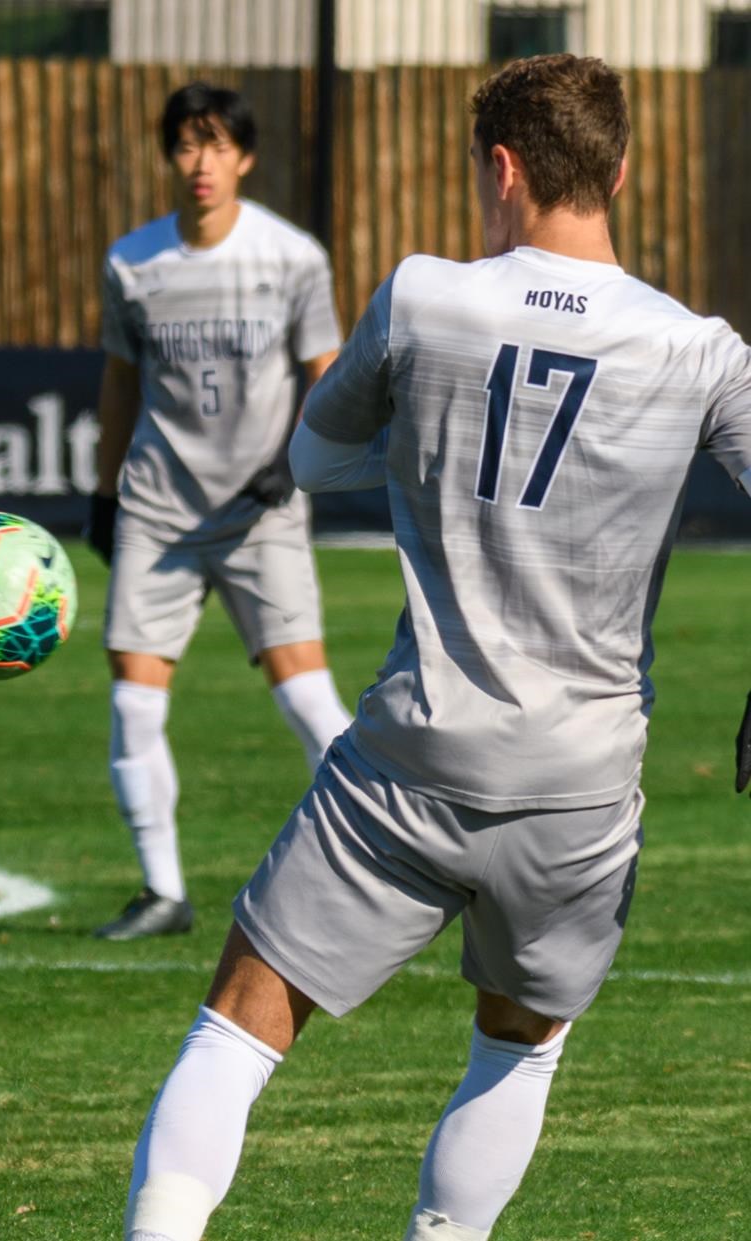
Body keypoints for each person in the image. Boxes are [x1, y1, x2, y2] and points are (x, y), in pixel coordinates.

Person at [122, 54, 751, 1241]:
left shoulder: (422, 295)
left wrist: (424, 450)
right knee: (516, 1047)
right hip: (578, 787)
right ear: (617, 172)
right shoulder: (699, 349)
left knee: (239, 1021)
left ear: (499, 167)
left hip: (411, 759)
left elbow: (312, 460)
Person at [88, 81, 354, 939]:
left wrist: (291, 460)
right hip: (160, 509)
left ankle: (382, 866)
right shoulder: (133, 262)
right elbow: (120, 382)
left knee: (308, 699)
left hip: (260, 511)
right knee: (133, 702)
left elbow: (326, 372)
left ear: (245, 158)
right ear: (169, 156)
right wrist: (103, 493)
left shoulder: (292, 256)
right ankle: (162, 891)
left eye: (217, 145)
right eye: (185, 144)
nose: (200, 162)